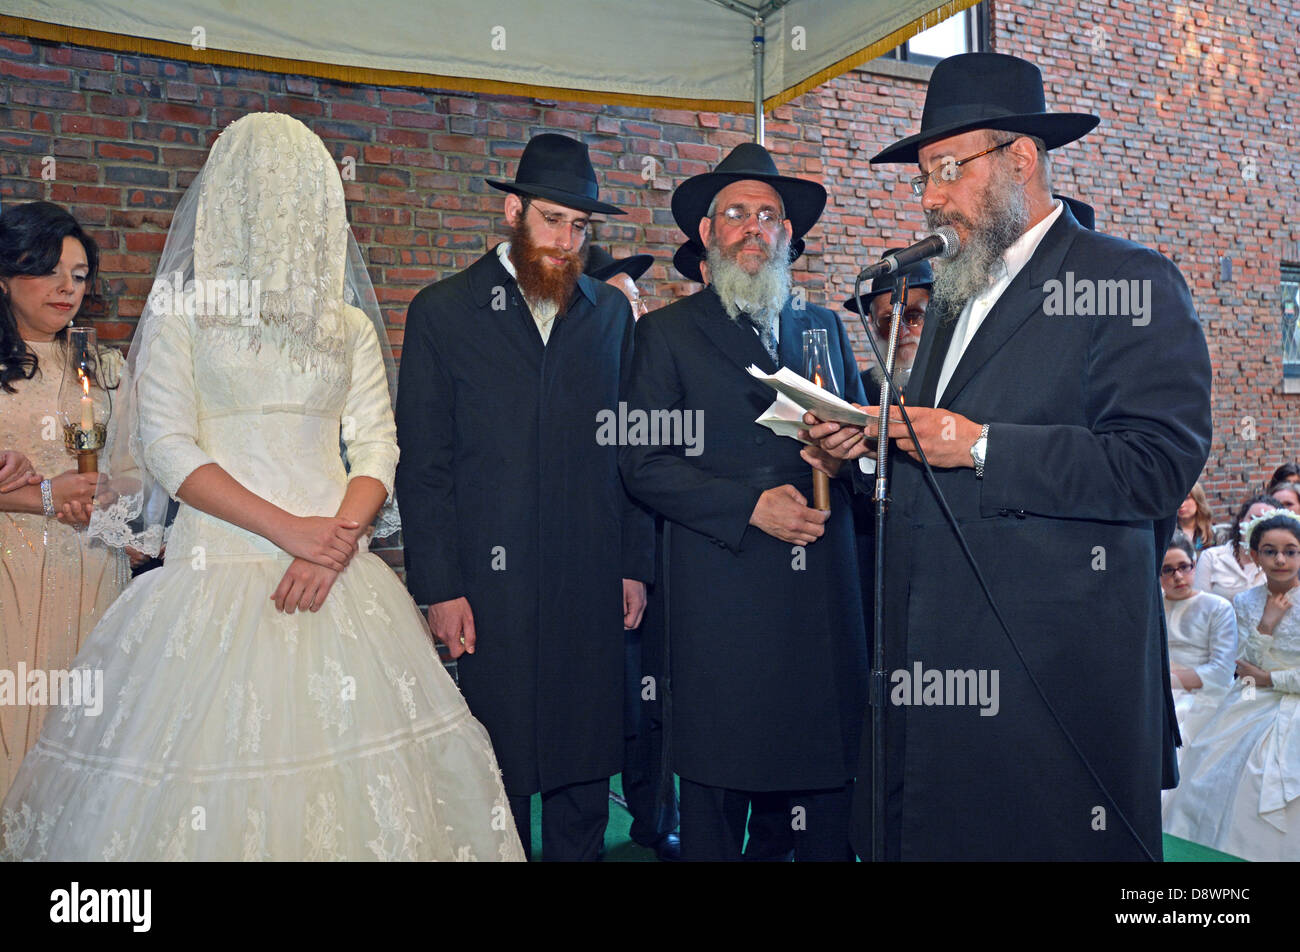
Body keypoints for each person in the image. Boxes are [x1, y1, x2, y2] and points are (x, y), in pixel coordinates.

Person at [0, 114, 524, 862]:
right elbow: (168, 448)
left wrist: (332, 543)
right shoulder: (184, 319)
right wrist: (296, 533)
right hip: (221, 565)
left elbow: (380, 442)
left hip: (337, 573)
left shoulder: (345, 326)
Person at [803, 52, 1212, 860]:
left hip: (1047, 686)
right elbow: (932, 456)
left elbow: (1156, 464)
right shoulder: (952, 297)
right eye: (924, 174)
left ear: (1020, 158)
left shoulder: (1129, 280)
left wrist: (982, 446)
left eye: (947, 170)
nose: (929, 196)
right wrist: (867, 450)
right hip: (928, 675)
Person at [396, 134, 653, 862]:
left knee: (581, 771)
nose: (566, 241)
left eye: (580, 227)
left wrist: (635, 564)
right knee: (494, 768)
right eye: (552, 221)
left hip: (589, 577)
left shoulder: (609, 315)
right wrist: (439, 587)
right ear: (513, 211)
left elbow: (631, 449)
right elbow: (426, 466)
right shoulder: (442, 311)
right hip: (488, 584)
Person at [620, 142, 869, 862]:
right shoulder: (664, 334)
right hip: (723, 612)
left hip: (821, 609)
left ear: (789, 235)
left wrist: (845, 455)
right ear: (707, 234)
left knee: (824, 804)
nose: (754, 228)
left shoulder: (822, 327)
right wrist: (748, 507)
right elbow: (640, 462)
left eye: (769, 215)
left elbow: (856, 443)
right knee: (719, 808)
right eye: (736, 214)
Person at [0, 201, 129, 797]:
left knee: (90, 745)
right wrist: (43, 493)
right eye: (48, 269)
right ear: (6, 273)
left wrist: (109, 490)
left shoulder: (105, 370)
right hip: (12, 574)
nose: (66, 288)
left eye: (78, 276)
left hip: (96, 571)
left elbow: (143, 467)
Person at [582, 245, 681, 861]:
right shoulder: (592, 374)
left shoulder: (661, 360)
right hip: (616, 566)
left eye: (639, 297)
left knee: (657, 701)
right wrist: (632, 568)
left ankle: (655, 818)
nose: (637, 307)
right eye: (626, 297)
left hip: (672, 564)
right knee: (618, 702)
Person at [1163, 510, 1300, 861]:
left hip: (1291, 695)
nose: (1280, 559)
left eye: (1291, 550)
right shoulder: (1245, 601)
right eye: (1269, 551)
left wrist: (1272, 678)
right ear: (1254, 556)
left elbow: (1262, 673)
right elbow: (1245, 668)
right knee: (1219, 749)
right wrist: (1266, 625)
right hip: (1254, 694)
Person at [1161, 532, 1235, 750]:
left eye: (1184, 566)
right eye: (1167, 570)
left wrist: (1164, 680)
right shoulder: (1151, 607)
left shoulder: (1218, 607)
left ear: (1194, 565)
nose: (1178, 576)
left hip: (1205, 691)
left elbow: (1222, 671)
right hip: (1159, 690)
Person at [843, 259, 932, 397]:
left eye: (913, 316)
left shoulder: (957, 385)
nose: (900, 332)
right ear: (872, 322)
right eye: (888, 320)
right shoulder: (859, 392)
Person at [1194, 494, 1278, 601]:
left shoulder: (1280, 562)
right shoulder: (1211, 557)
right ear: (1241, 520)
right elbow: (1201, 603)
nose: (1257, 525)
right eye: (1252, 518)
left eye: (1266, 521)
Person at [1175, 481, 1217, 553]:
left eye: (1187, 498)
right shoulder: (1169, 534)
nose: (1181, 505)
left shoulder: (1213, 533)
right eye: (1178, 499)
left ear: (1198, 500)